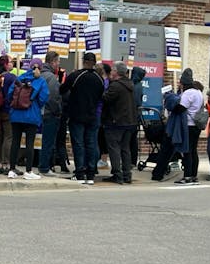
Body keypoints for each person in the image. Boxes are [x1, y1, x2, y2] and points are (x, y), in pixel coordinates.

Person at [59, 52, 105, 185]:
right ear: (94, 63)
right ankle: (90, 174)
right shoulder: (99, 79)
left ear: (84, 61)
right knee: (91, 144)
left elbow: (62, 90)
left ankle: (79, 172)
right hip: (92, 115)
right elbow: (101, 95)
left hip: (77, 114)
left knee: (78, 144)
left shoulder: (76, 75)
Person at [6, 58, 49, 180]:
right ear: (40, 67)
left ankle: (12, 169)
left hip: (16, 114)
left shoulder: (19, 78)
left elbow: (10, 94)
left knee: (15, 142)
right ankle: (28, 171)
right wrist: (35, 104)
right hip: (32, 114)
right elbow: (44, 97)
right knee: (30, 143)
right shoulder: (40, 81)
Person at [101, 61, 137, 184]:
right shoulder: (130, 84)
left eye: (112, 70)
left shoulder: (116, 86)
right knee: (125, 149)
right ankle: (127, 174)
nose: (111, 72)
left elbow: (105, 98)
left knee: (114, 148)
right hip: (129, 121)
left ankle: (117, 174)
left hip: (116, 121)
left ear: (116, 72)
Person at [176, 68, 205, 184]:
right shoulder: (198, 92)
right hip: (197, 125)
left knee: (187, 151)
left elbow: (181, 107)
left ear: (183, 83)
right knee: (194, 151)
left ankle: (187, 176)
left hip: (189, 124)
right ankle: (194, 175)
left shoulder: (188, 93)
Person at [37, 51, 62, 176]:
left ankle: (42, 165)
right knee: (48, 141)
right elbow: (53, 97)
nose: (58, 64)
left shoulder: (39, 75)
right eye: (58, 62)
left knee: (40, 141)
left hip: (39, 112)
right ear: (53, 62)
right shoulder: (51, 77)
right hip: (49, 113)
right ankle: (44, 167)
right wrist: (57, 111)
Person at [0, 55, 16, 174]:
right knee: (8, 137)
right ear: (6, 64)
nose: (12, 63)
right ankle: (7, 164)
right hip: (8, 110)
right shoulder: (11, 77)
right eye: (10, 62)